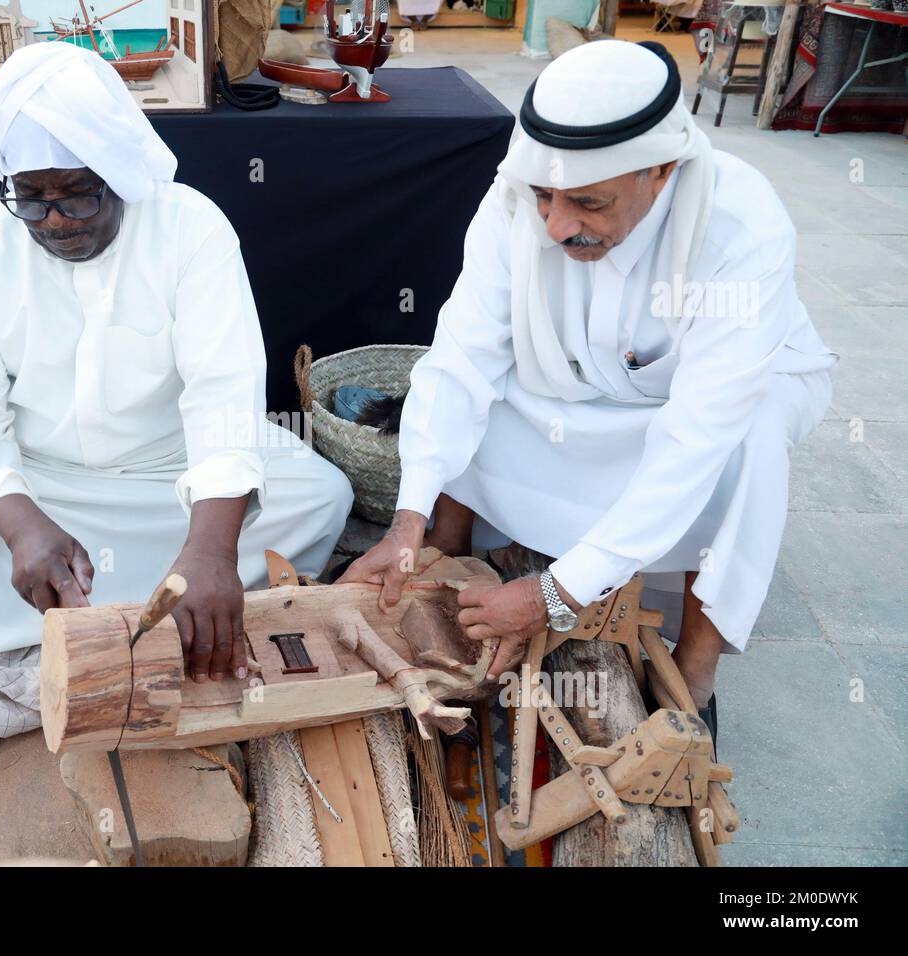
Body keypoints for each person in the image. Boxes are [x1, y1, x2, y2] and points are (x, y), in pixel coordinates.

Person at [0, 43, 353, 866]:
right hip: (39, 490)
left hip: (172, 473)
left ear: (117, 170)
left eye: (77, 194)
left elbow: (224, 395)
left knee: (319, 496)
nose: (57, 221)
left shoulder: (191, 228)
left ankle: (140, 610)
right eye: (33, 201)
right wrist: (20, 529)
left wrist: (211, 546)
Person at [345, 40, 836, 729]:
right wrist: (407, 516)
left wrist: (553, 594)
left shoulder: (743, 226)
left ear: (661, 172)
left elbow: (698, 433)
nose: (554, 225)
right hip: (573, 376)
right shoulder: (517, 197)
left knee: (752, 435)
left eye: (587, 203)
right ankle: (441, 546)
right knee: (484, 382)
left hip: (716, 391)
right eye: (544, 197)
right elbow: (462, 356)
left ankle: (696, 664)